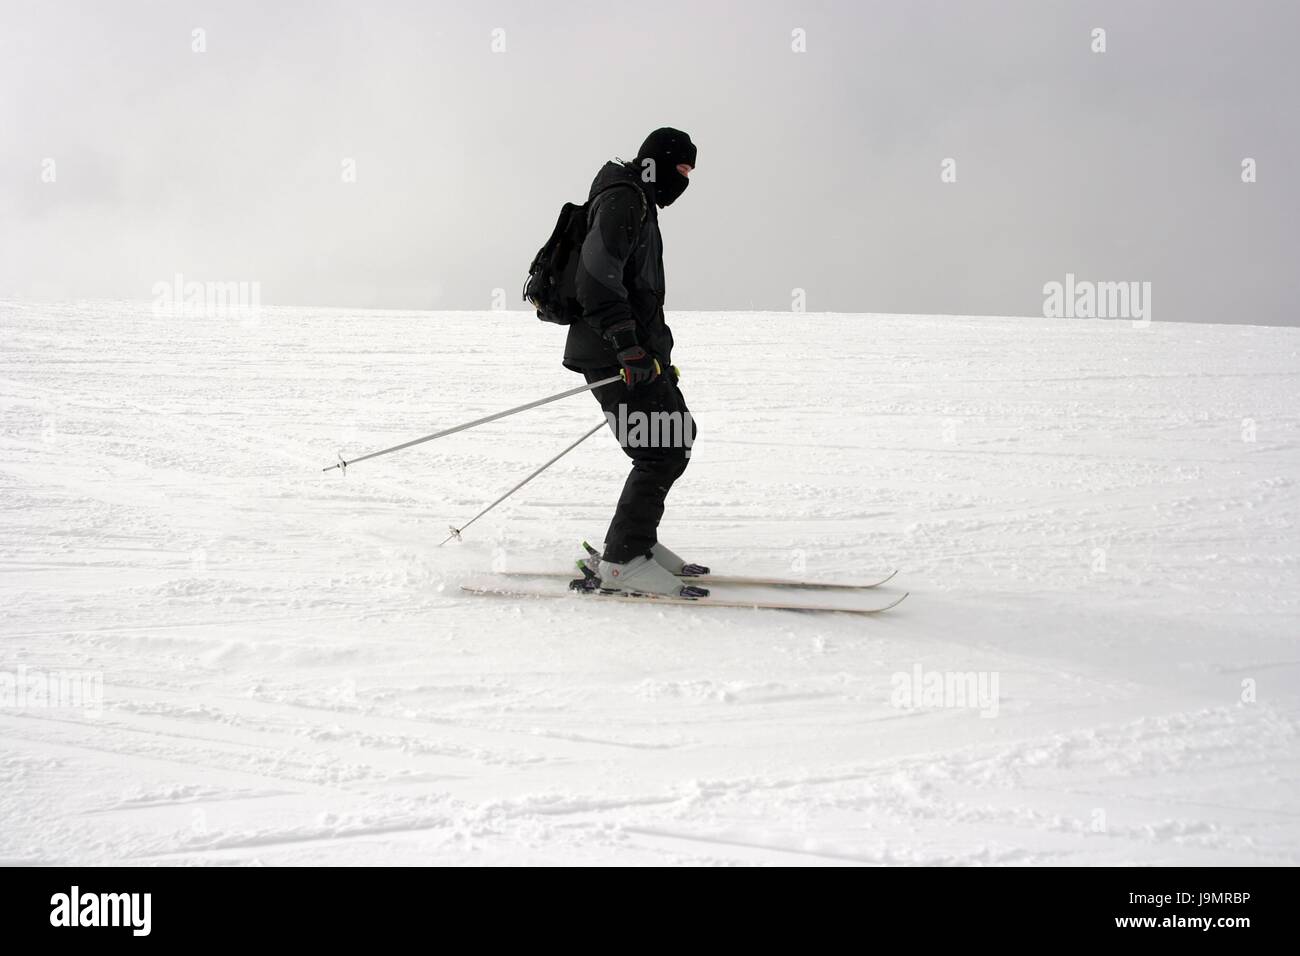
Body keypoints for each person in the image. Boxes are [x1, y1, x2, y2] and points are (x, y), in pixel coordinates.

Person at [564, 128, 705, 596]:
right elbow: (597, 281)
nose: (683, 183)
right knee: (661, 447)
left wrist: (658, 356)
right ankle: (623, 560)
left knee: (676, 434)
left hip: (632, 354)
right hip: (611, 353)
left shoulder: (638, 201)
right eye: (680, 171)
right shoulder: (625, 199)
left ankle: (636, 542)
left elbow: (640, 294)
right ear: (655, 163)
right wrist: (627, 347)